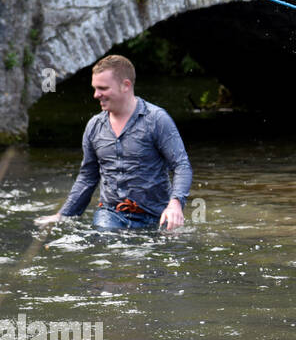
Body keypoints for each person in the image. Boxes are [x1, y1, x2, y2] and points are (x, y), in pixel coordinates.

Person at [39, 55, 191, 231]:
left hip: (157, 215)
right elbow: (88, 176)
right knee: (106, 240)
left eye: (102, 88)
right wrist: (63, 215)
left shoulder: (157, 120)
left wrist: (175, 204)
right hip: (110, 215)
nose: (96, 95)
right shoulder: (94, 127)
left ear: (125, 85)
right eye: (95, 88)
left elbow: (181, 165)